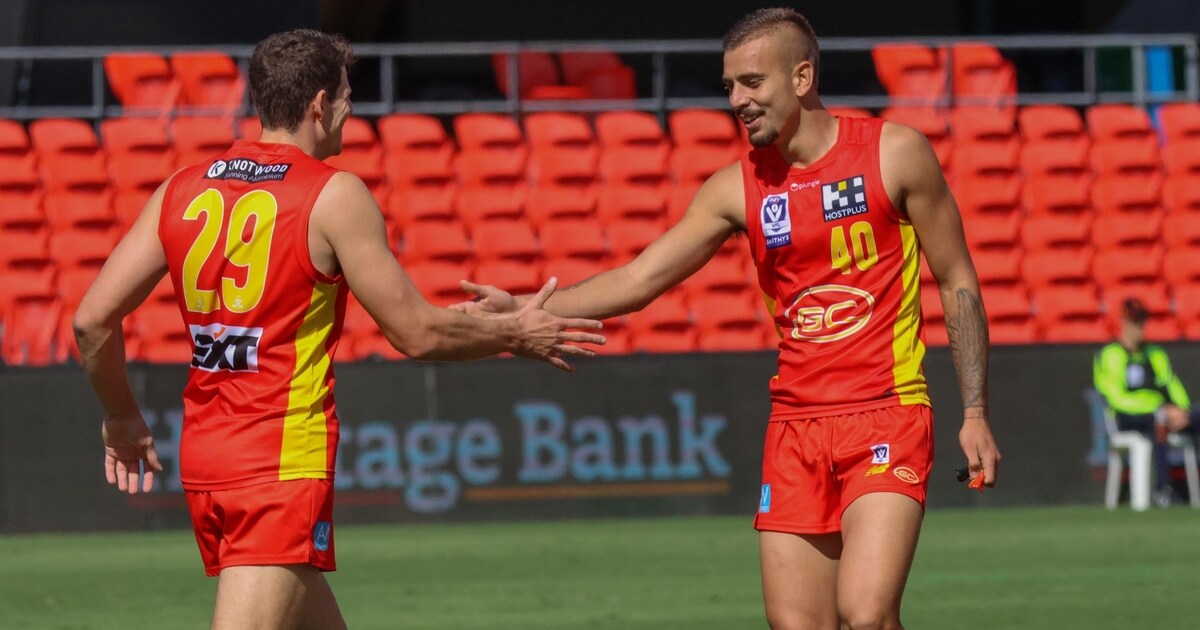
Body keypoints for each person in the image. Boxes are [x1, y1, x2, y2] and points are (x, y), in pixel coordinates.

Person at [454, 8, 1000, 629]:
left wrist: (975, 411)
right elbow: (638, 280)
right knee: (797, 624)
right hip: (794, 427)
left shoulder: (894, 153)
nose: (738, 100)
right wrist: (525, 308)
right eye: (729, 86)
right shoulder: (735, 187)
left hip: (886, 410)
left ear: (801, 77)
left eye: (752, 82)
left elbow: (957, 281)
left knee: (867, 613)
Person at [72, 29, 604, 630]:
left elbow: (92, 321)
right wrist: (515, 336)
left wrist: (121, 416)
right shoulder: (332, 193)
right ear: (320, 103)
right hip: (278, 460)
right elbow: (415, 335)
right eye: (348, 94)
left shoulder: (180, 188)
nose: (352, 108)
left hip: (207, 456)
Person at [1094, 297, 1198, 507]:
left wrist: (1182, 412)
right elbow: (1116, 398)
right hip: (1127, 417)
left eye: (1141, 321)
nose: (1138, 327)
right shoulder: (1111, 354)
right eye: (1134, 321)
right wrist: (1159, 409)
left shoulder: (1155, 353)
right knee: (1158, 419)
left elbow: (1172, 384)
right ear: (1123, 322)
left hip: (1164, 414)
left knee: (1195, 414)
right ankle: (1163, 488)